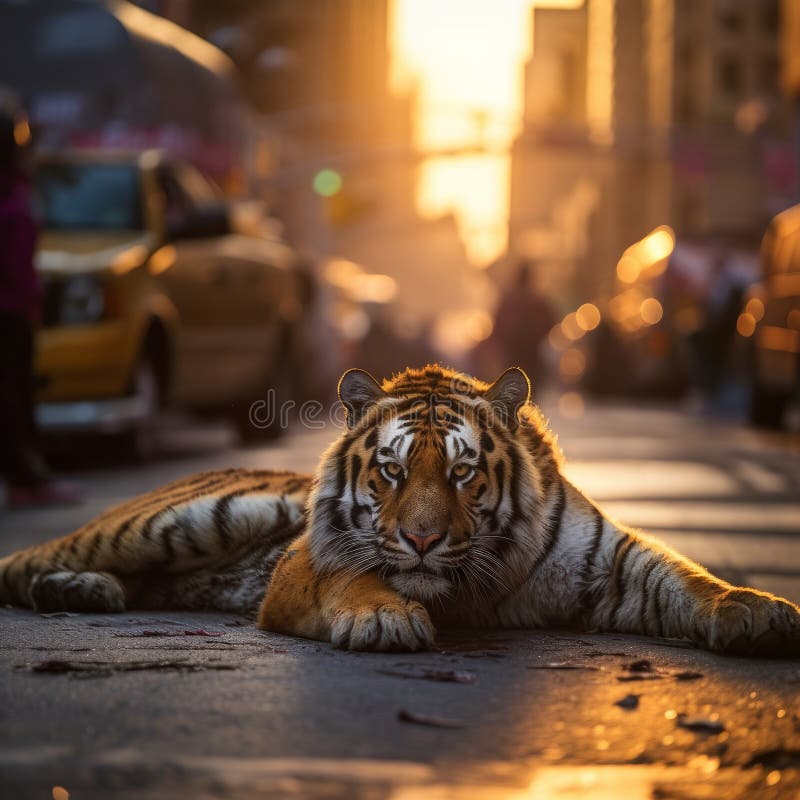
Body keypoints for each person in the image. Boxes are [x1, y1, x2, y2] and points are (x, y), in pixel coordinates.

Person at [0, 93, 82, 508]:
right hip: (11, 313)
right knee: (14, 397)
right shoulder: (13, 194)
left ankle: (24, 477)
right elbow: (17, 265)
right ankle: (25, 481)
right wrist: (33, 298)